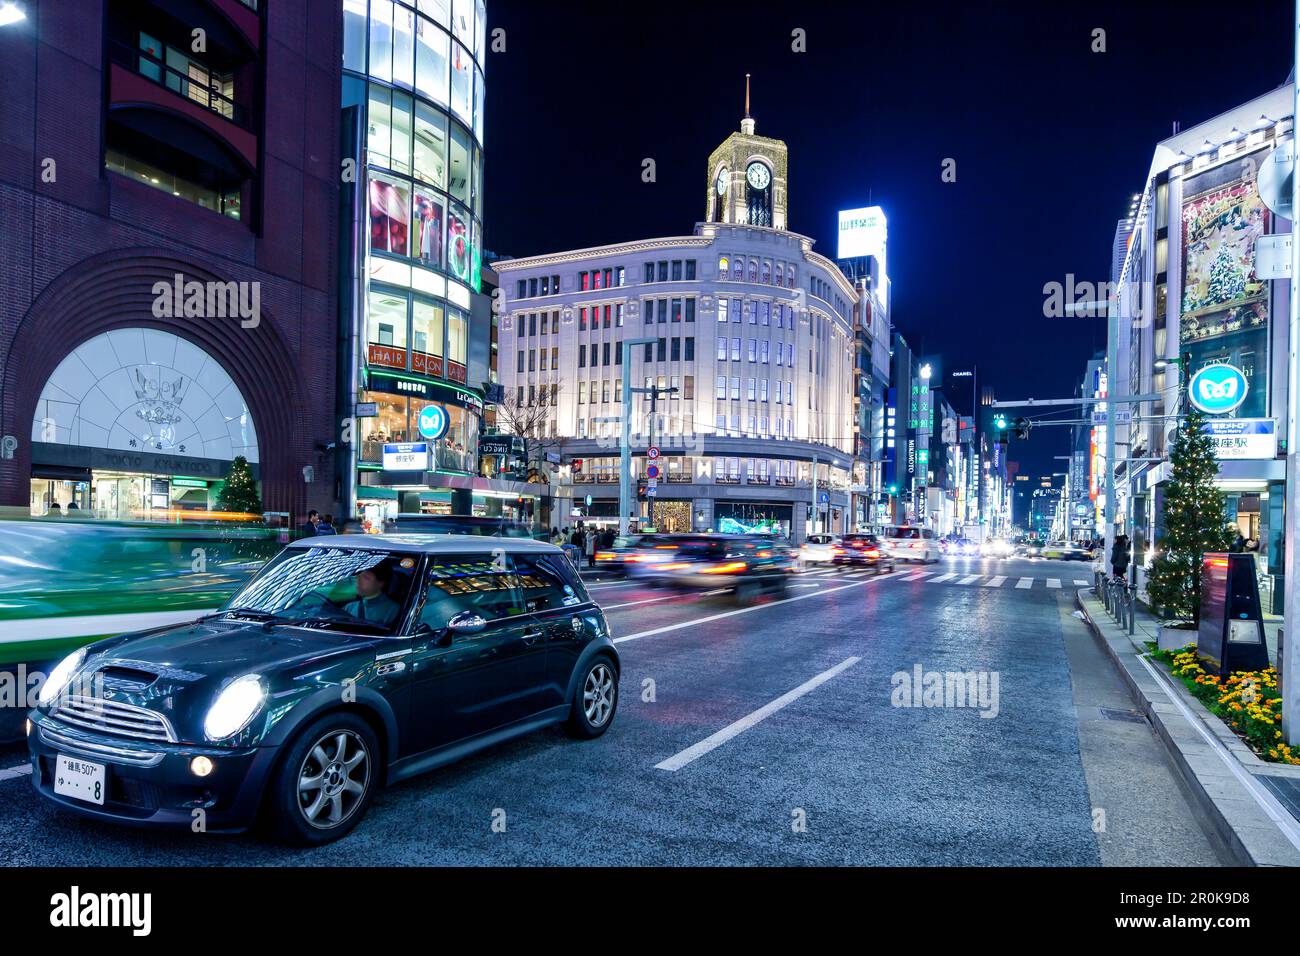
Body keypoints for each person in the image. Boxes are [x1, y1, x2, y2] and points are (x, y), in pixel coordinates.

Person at [344, 563, 400, 628]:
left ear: (380, 583)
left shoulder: (393, 610)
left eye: (365, 577)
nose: (358, 581)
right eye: (358, 576)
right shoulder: (349, 607)